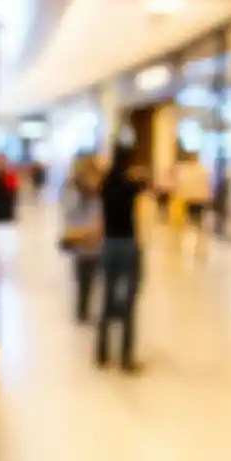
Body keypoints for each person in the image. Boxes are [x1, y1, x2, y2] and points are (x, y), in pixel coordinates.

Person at [97, 145, 148, 373]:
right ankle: (126, 356)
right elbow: (145, 187)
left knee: (107, 296)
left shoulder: (106, 184)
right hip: (128, 244)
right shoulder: (130, 185)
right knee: (128, 299)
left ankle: (102, 352)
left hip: (108, 244)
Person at [62, 156, 104, 323]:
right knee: (83, 277)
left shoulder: (99, 190)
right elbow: (69, 213)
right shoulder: (74, 190)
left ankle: (88, 310)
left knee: (93, 277)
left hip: (96, 240)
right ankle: (81, 311)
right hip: (81, 239)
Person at [174, 153, 213, 258]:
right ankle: (195, 230)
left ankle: (195, 230)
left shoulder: (192, 171)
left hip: (193, 198)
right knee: (195, 217)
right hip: (196, 198)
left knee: (194, 217)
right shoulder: (200, 171)